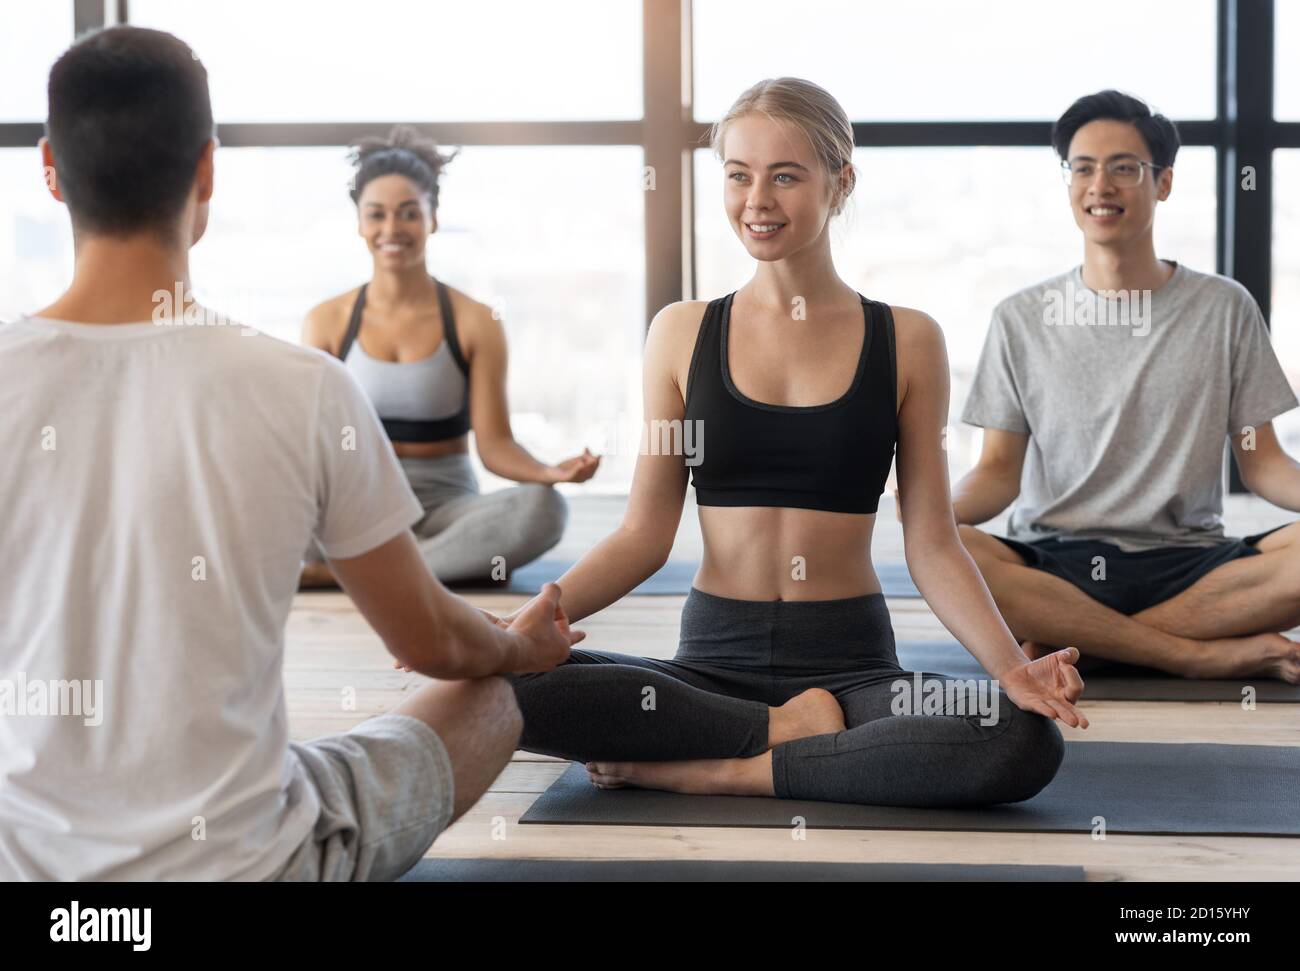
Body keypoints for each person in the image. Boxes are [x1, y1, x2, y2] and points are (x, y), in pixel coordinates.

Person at [0, 25, 580, 881]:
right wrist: (519, 652)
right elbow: (432, 646)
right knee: (487, 699)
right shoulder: (302, 385)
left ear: (50, 167)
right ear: (206, 171)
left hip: (30, 864)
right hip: (250, 861)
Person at [495, 78, 1085, 806]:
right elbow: (643, 533)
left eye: (785, 177)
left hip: (855, 669)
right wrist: (533, 623)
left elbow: (932, 540)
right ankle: (780, 727)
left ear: (841, 183)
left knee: (1015, 736)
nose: (757, 200)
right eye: (738, 176)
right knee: (498, 685)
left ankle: (728, 767)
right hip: (710, 665)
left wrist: (1008, 670)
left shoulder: (907, 338)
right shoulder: (680, 332)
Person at [955, 90, 1300, 683]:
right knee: (956, 552)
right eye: (1083, 168)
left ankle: (1090, 645)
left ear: (1162, 182)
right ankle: (1190, 653)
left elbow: (1262, 462)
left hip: (1190, 560)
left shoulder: (1223, 307)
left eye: (1124, 168)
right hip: (1054, 560)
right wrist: (923, 521)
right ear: (1068, 183)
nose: (1100, 185)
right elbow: (996, 473)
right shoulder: (1020, 317)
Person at [299, 126, 598, 588]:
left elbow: (495, 445)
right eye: (376, 215)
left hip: (447, 511)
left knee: (543, 508)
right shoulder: (326, 320)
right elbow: (315, 445)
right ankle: (420, 570)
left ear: (432, 219)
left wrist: (548, 471)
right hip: (356, 510)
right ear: (360, 223)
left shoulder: (475, 320)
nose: (391, 229)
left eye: (408, 214)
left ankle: (350, 576)